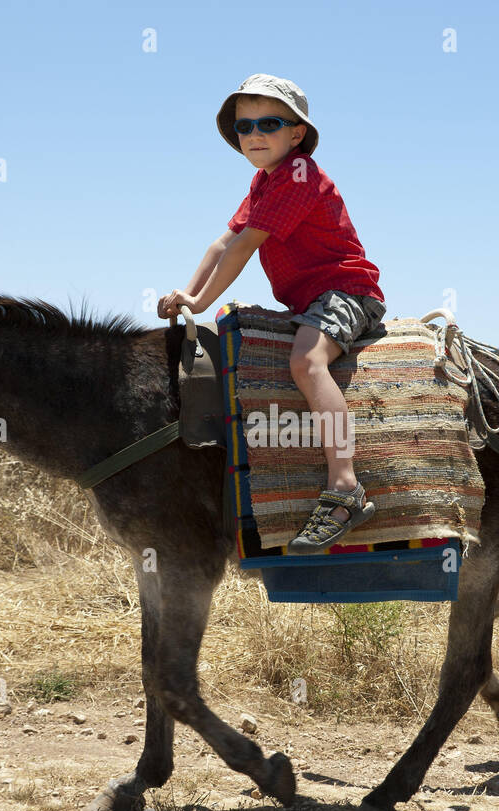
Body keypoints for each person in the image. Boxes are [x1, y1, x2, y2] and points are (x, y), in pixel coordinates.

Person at [158, 74, 385, 553]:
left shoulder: (300, 175)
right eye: (244, 127)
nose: (254, 135)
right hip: (310, 301)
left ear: (296, 133)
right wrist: (188, 289)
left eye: (269, 123)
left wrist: (199, 304)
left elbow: (244, 246)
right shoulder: (264, 181)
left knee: (306, 362)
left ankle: (346, 488)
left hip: (345, 291)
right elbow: (223, 239)